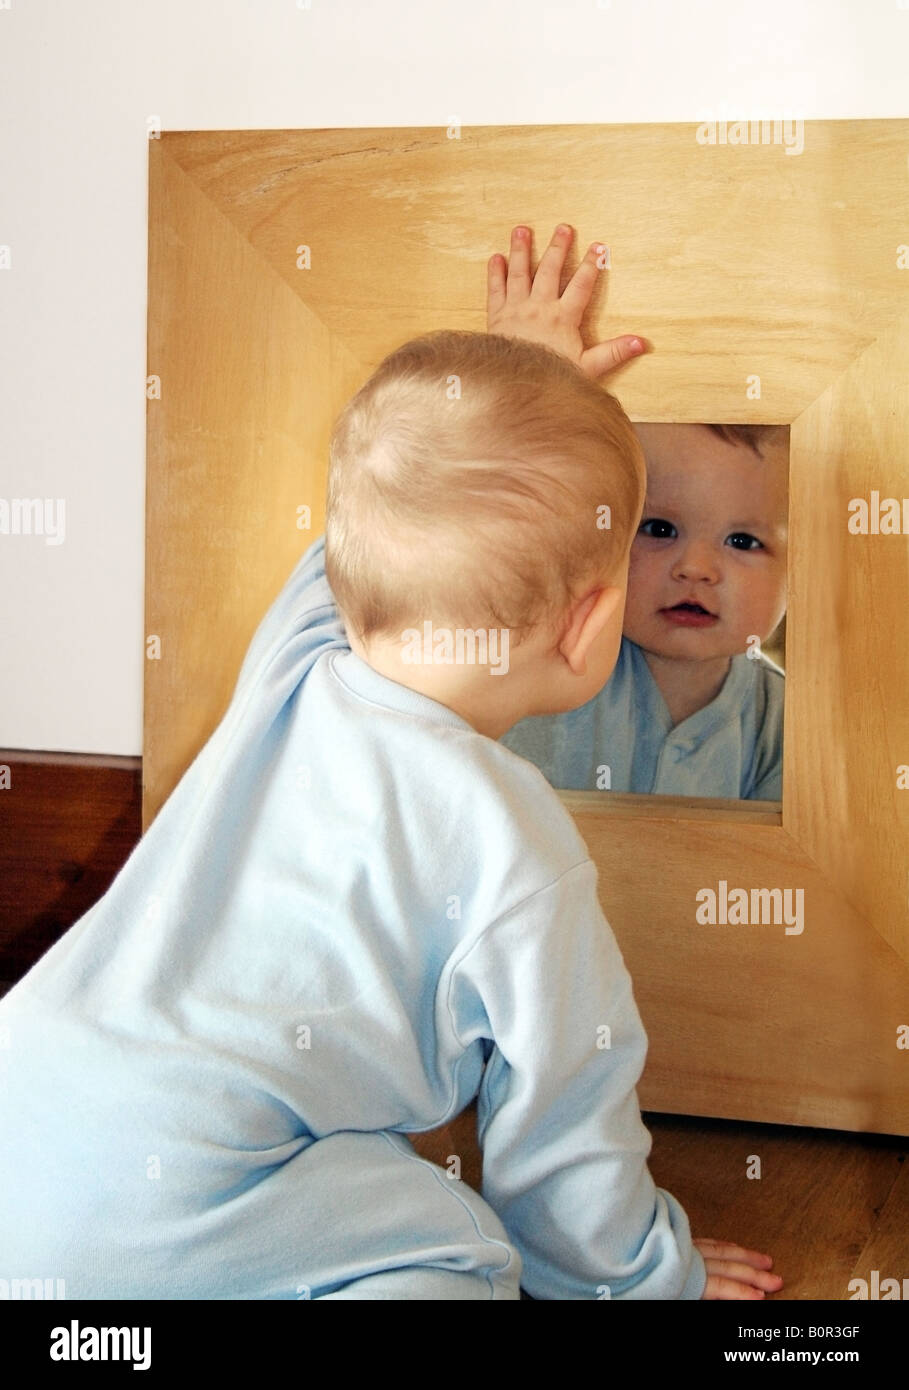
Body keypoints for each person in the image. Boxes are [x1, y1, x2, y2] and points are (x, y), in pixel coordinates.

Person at [0, 229, 782, 1301]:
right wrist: (650, 1275)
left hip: (26, 1110)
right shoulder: (516, 839)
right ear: (593, 621)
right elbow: (565, 1127)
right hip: (198, 1197)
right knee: (455, 1252)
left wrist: (523, 383)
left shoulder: (296, 662)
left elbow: (369, 538)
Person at [490, 228, 788, 800]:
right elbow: (488, 525)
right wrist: (525, 386)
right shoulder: (547, 651)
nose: (696, 569)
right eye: (658, 528)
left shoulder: (786, 724)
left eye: (744, 542)